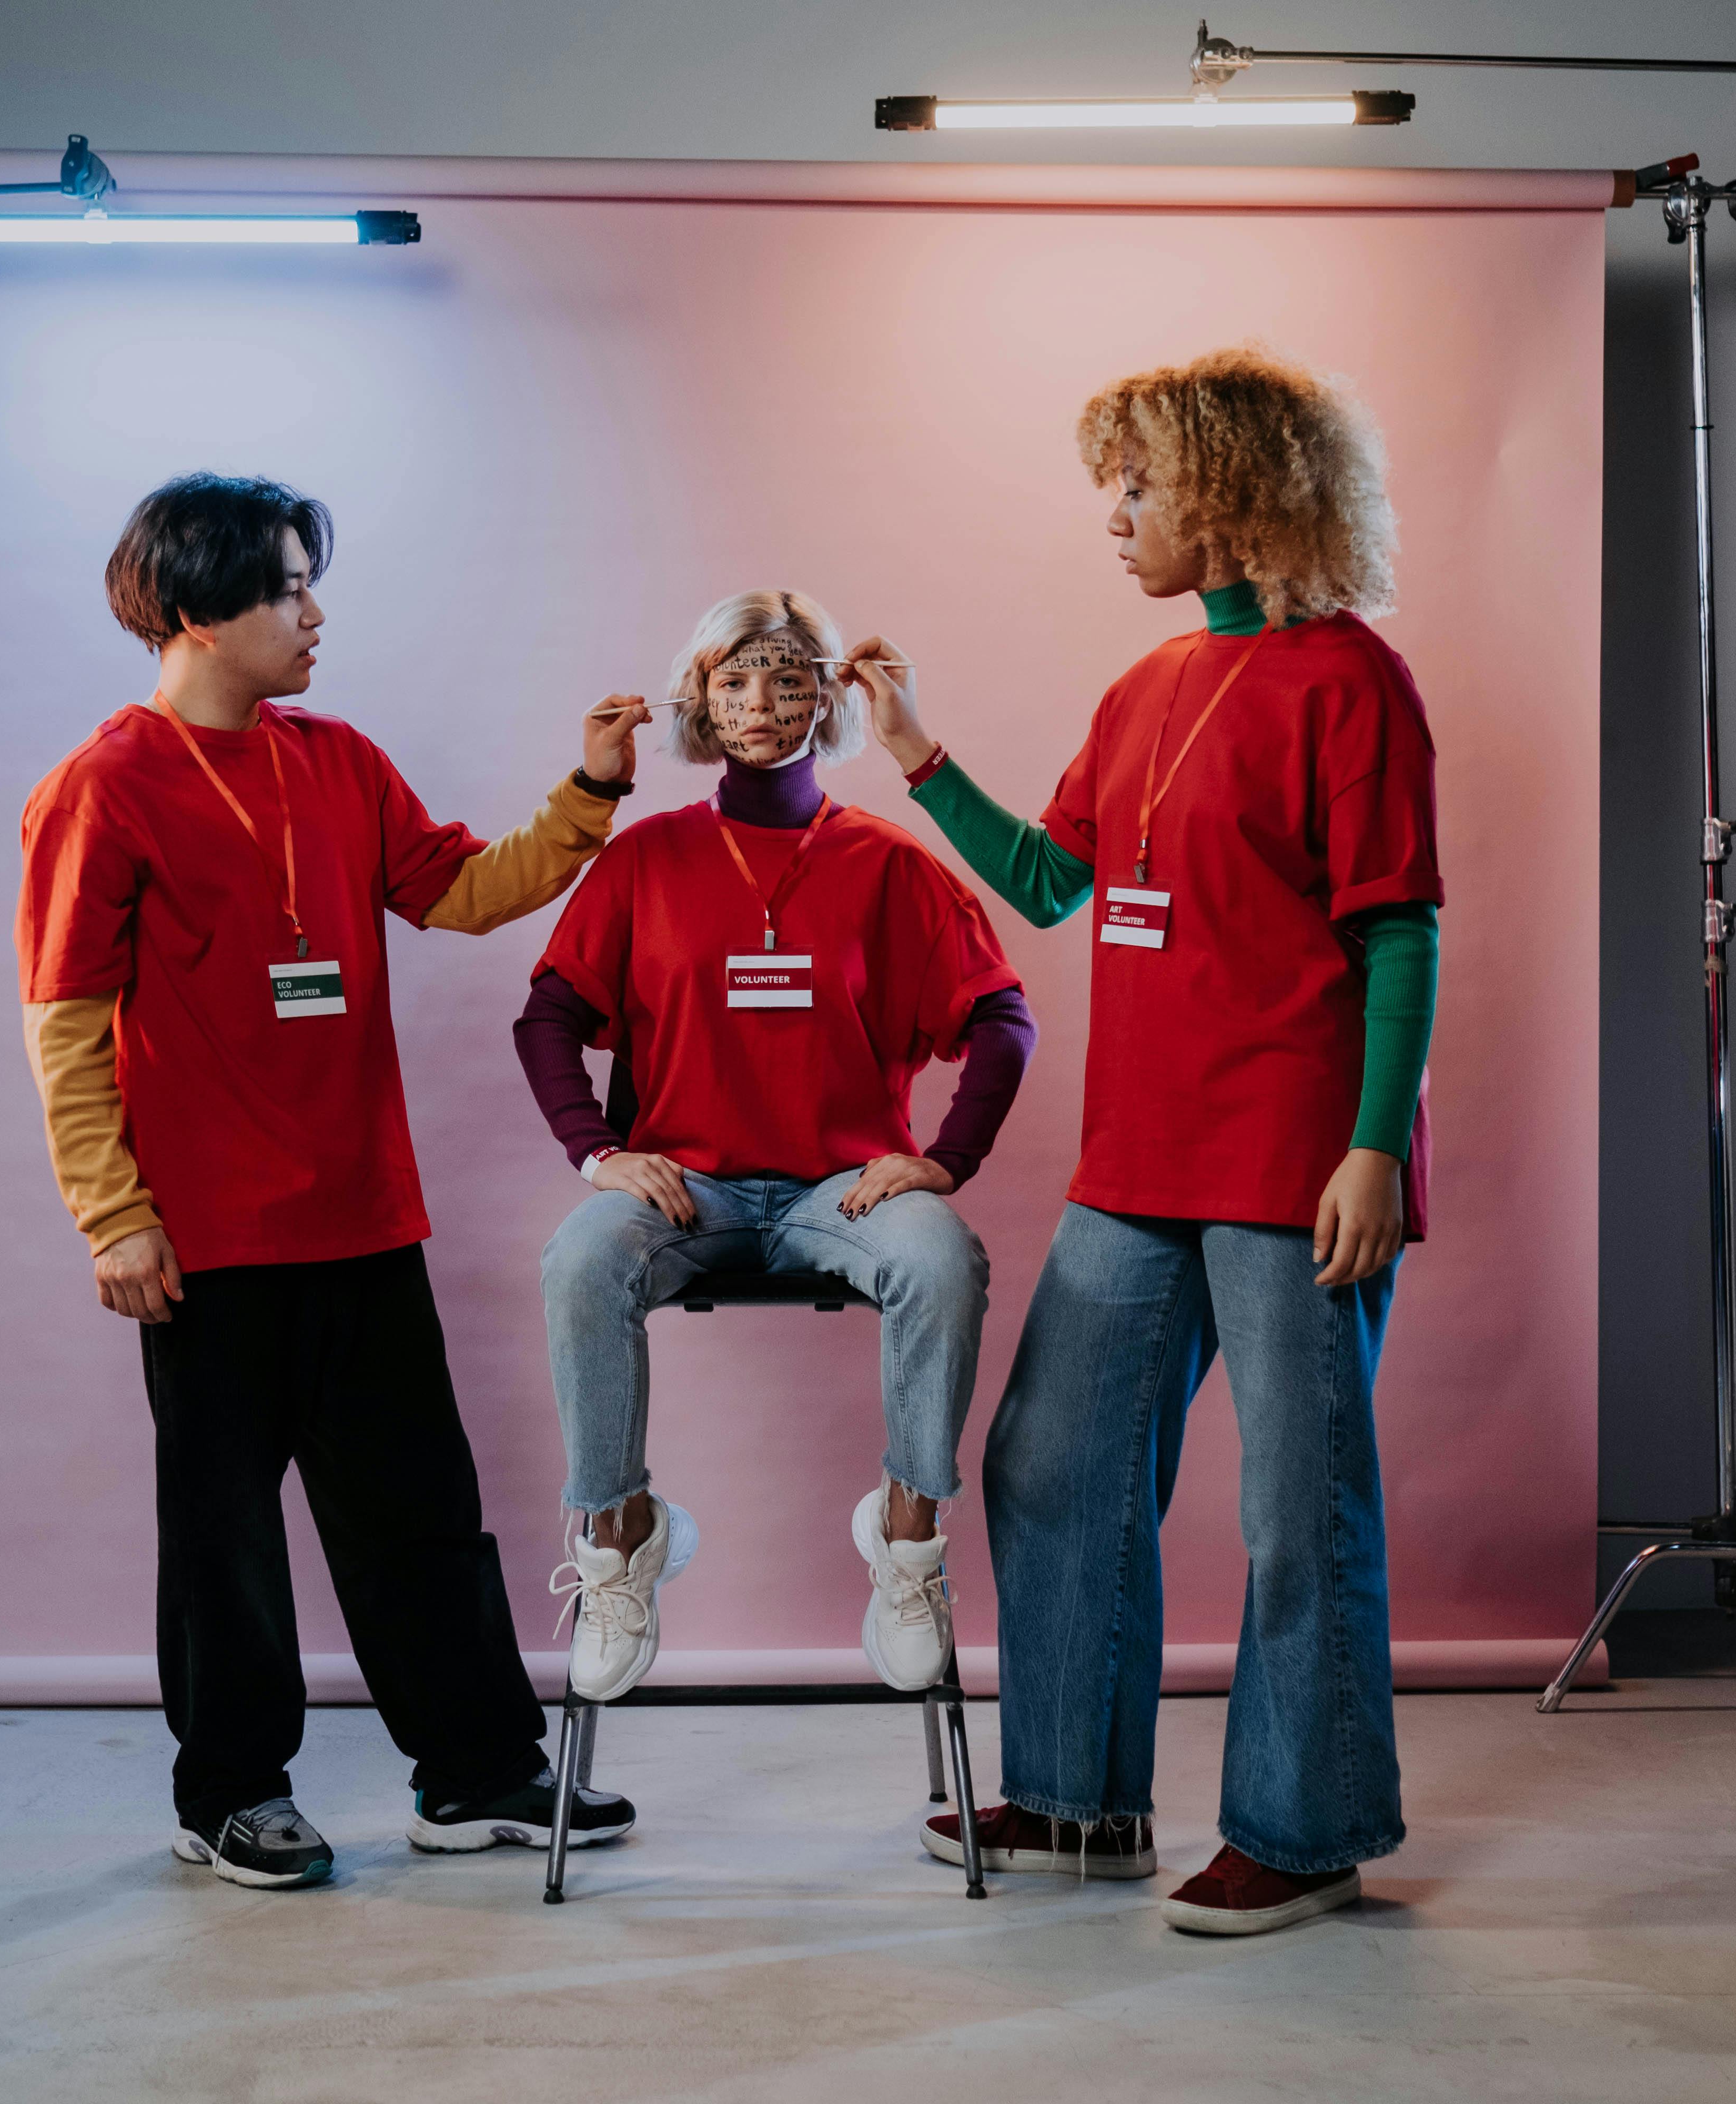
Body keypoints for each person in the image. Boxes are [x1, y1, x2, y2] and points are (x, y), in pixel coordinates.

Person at [850, 348, 1443, 1937]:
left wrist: (1376, 1149)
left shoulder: (1353, 679)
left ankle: (1305, 1831)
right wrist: (915, 751)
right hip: (1139, 1157)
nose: (1115, 518)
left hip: (1297, 1159)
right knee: (1054, 1460)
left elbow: (1400, 928)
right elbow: (1056, 884)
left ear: (1236, 497)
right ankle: (1076, 1798)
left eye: (1140, 488)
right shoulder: (1144, 689)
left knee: (1299, 1504)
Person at [16, 472, 645, 1890]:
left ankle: (475, 1771)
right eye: (289, 589)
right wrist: (114, 1216)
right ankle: (231, 1794)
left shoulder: (341, 759)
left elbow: (463, 890)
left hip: (361, 1218)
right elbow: (64, 1022)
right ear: (198, 610)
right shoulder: (102, 787)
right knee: (225, 1537)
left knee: (421, 1511)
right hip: (205, 1242)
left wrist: (591, 790)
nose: (315, 615)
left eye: (312, 585)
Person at [514, 589, 1036, 1704]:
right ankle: (620, 1536)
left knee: (941, 1256)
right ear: (699, 697)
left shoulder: (886, 862)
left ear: (825, 697)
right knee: (580, 1258)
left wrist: (946, 1158)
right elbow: (548, 1014)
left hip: (843, 1189)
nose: (759, 702)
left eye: (787, 678)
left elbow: (1003, 1015)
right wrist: (597, 1153)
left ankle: (907, 1537)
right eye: (734, 678)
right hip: (685, 1186)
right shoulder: (647, 857)